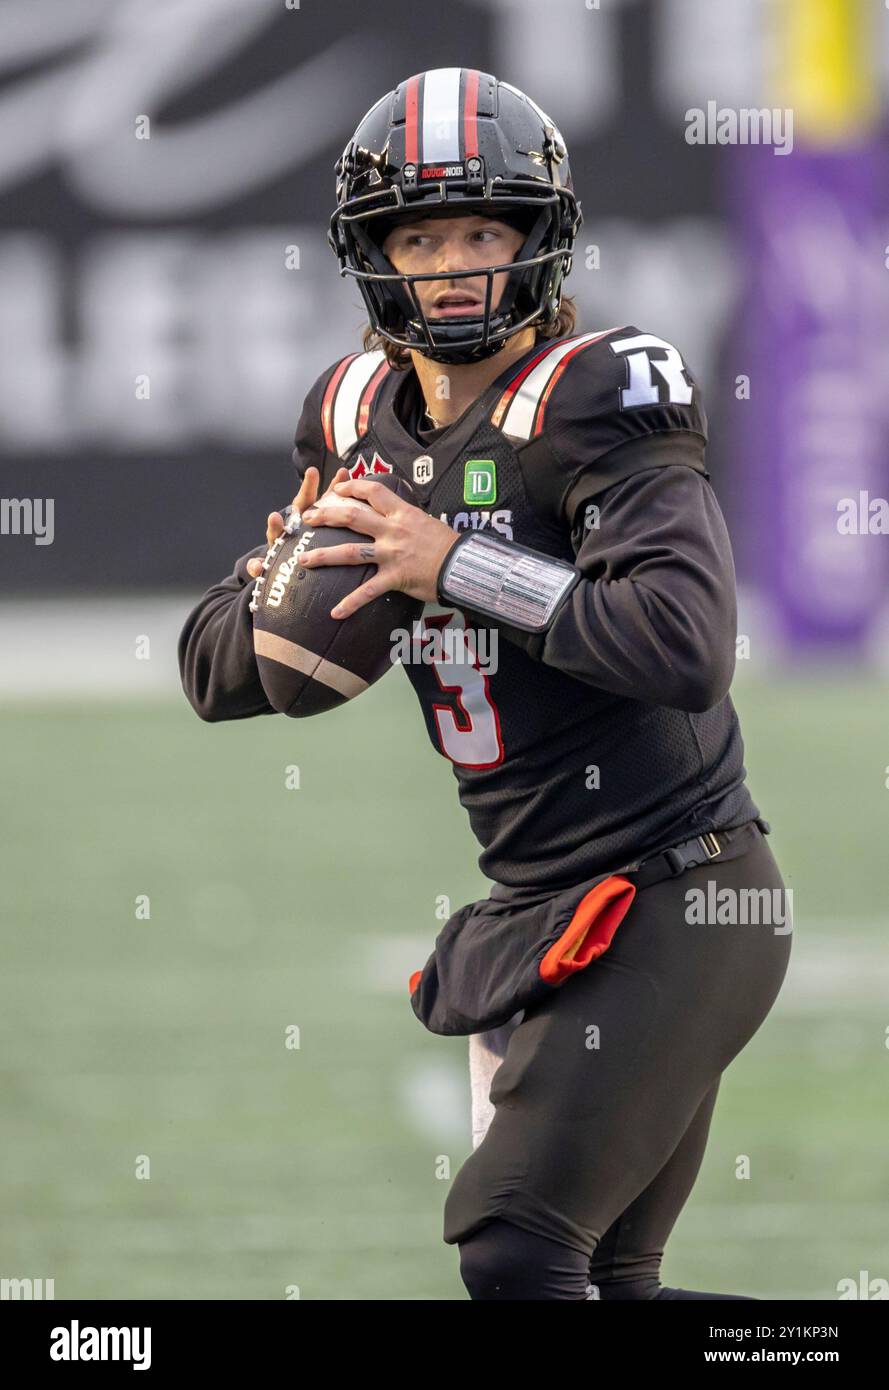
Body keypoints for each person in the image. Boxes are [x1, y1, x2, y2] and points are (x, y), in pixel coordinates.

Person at [178, 67, 792, 1301]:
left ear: (538, 240)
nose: (450, 261)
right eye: (417, 234)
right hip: (534, 905)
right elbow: (220, 675)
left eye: (480, 228)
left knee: (516, 1247)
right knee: (601, 1286)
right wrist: (274, 584)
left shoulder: (597, 395)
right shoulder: (353, 416)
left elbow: (685, 645)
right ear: (371, 255)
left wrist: (453, 563)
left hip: (680, 888)